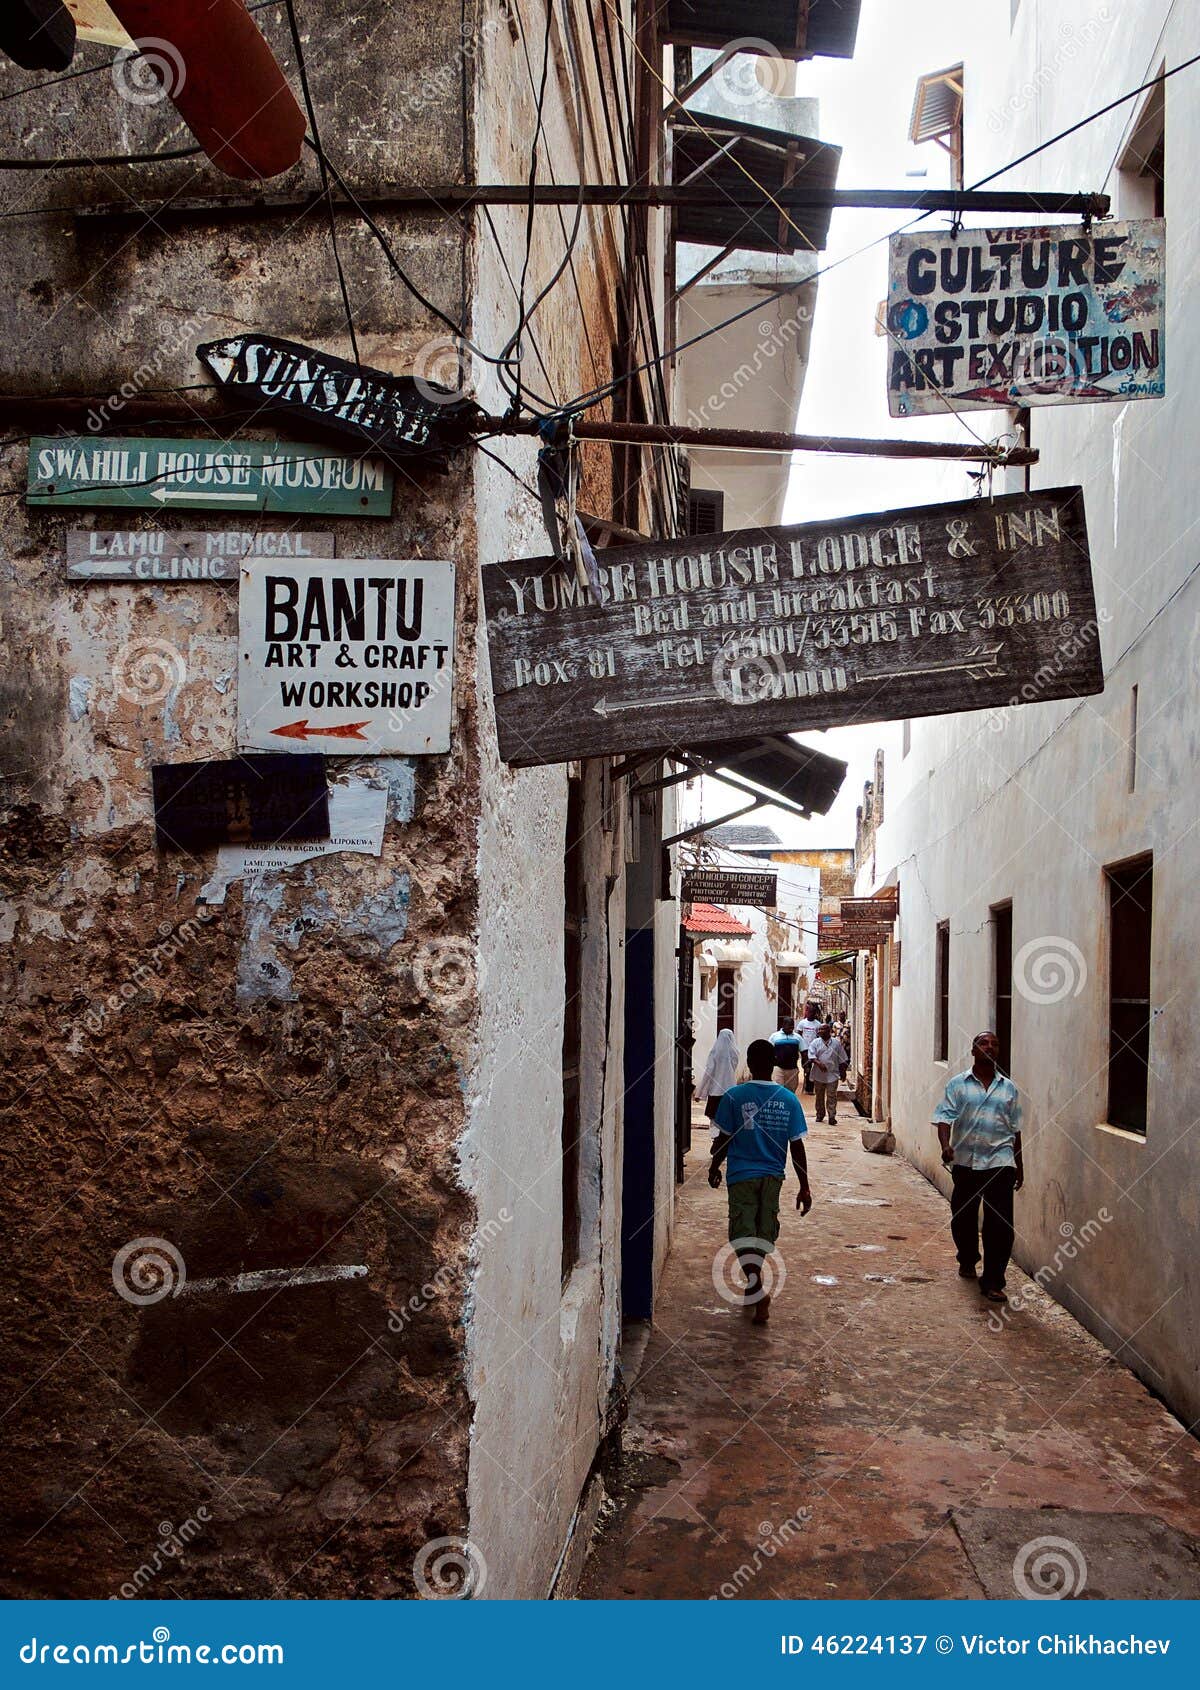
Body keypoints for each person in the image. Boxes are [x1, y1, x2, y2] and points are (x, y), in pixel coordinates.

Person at [708, 1038, 813, 1325]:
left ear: (750, 1065)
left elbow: (724, 1138)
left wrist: (714, 1166)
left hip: (741, 1175)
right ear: (774, 1063)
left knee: (742, 1235)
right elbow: (797, 1146)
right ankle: (754, 1285)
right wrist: (804, 1186)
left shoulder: (734, 1096)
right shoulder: (789, 1100)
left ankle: (756, 1289)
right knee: (763, 1233)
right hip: (772, 1177)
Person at [933, 1031, 1024, 1304]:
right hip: (967, 1162)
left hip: (1000, 1162)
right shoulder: (958, 1085)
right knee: (964, 1216)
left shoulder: (1009, 1089)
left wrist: (1020, 1164)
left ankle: (994, 1280)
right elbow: (944, 1118)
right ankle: (968, 1257)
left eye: (995, 1043)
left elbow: (1015, 1129)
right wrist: (945, 1146)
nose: (990, 1047)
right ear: (973, 1051)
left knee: (1001, 1225)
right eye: (983, 1043)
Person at [695, 1027, 739, 1124]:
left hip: (715, 1091)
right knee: (728, 1119)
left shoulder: (714, 1053)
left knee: (714, 1120)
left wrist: (699, 1093)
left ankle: (715, 1137)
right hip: (730, 1090)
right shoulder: (736, 1053)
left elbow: (708, 1073)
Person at [808, 1020, 847, 1123]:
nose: (820, 1031)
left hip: (832, 1074)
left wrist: (843, 1072)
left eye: (823, 1029)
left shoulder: (836, 1043)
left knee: (831, 1096)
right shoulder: (815, 1043)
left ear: (829, 1031)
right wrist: (819, 1063)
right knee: (819, 1096)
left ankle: (831, 1116)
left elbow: (842, 1059)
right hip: (818, 1074)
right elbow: (811, 1056)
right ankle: (820, 1114)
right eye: (819, 1029)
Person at [768, 1017, 802, 1093]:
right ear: (783, 1025)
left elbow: (804, 1051)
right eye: (789, 1026)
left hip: (792, 1069)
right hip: (778, 1068)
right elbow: (768, 1051)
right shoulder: (774, 1036)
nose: (791, 1028)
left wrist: (805, 1066)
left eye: (792, 1026)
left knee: (791, 1092)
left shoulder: (797, 1037)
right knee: (777, 1091)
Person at [796, 1004, 821, 1092]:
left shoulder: (818, 1024)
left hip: (814, 1050)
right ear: (807, 1012)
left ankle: (809, 1088)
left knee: (812, 1068)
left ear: (815, 1014)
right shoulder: (802, 1023)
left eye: (813, 1012)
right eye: (809, 1012)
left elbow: (819, 1037)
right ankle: (807, 1083)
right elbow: (798, 1035)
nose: (811, 1014)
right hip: (804, 1050)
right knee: (806, 1067)